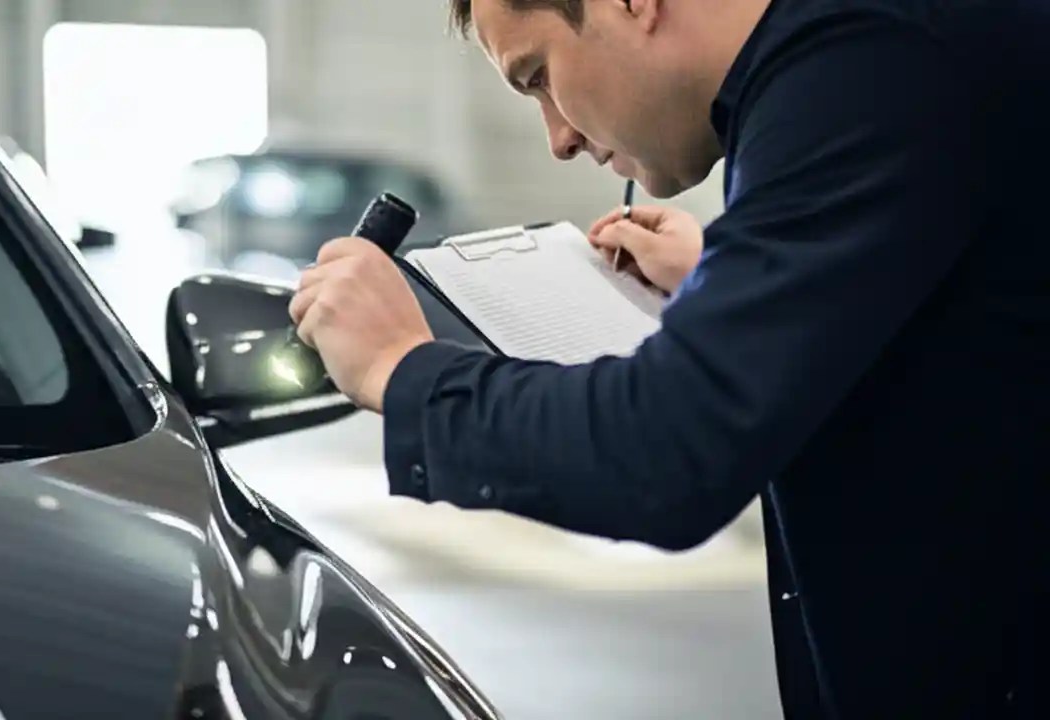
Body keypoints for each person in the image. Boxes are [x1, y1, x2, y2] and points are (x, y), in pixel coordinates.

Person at [288, 0, 1048, 717]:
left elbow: (668, 446)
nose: (558, 136)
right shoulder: (859, 58)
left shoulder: (865, 68)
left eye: (538, 77)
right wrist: (739, 285)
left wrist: (401, 366)